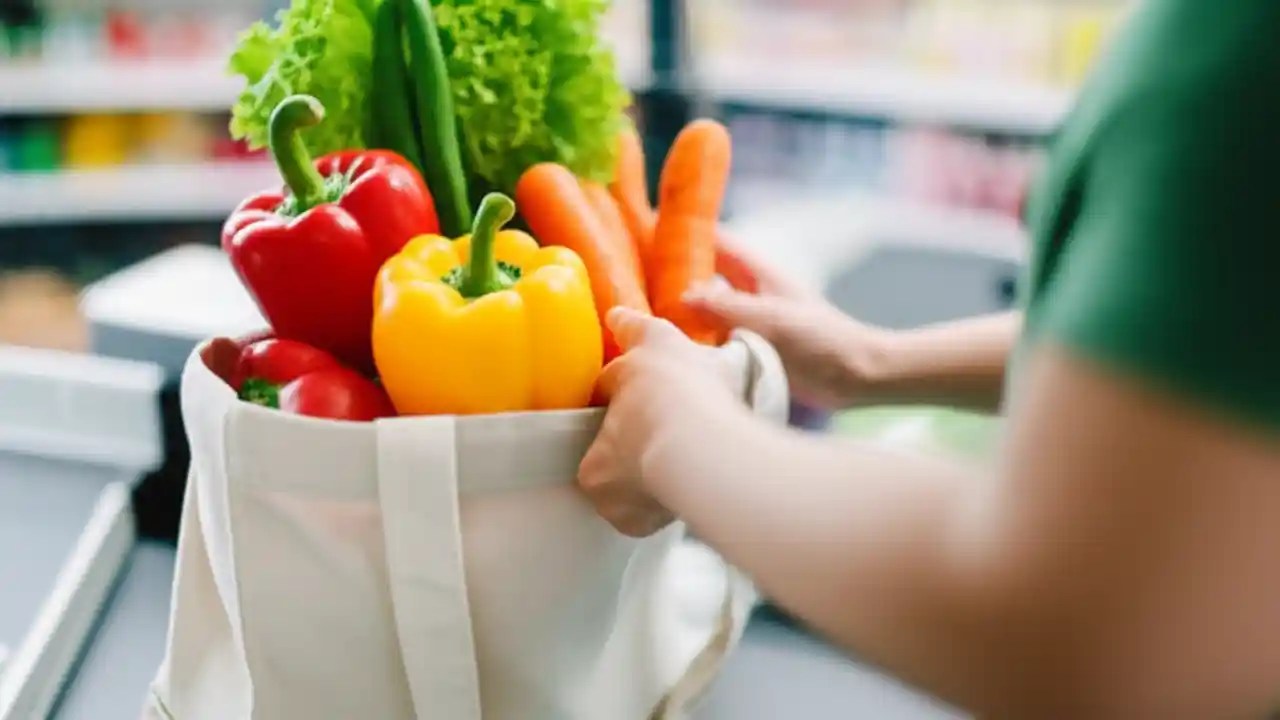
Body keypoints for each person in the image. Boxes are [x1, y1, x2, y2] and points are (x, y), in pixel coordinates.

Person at [576, 1, 1280, 716]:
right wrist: (871, 361)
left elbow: (1076, 622)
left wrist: (679, 435)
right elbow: (1211, 337)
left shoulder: (1241, 42)